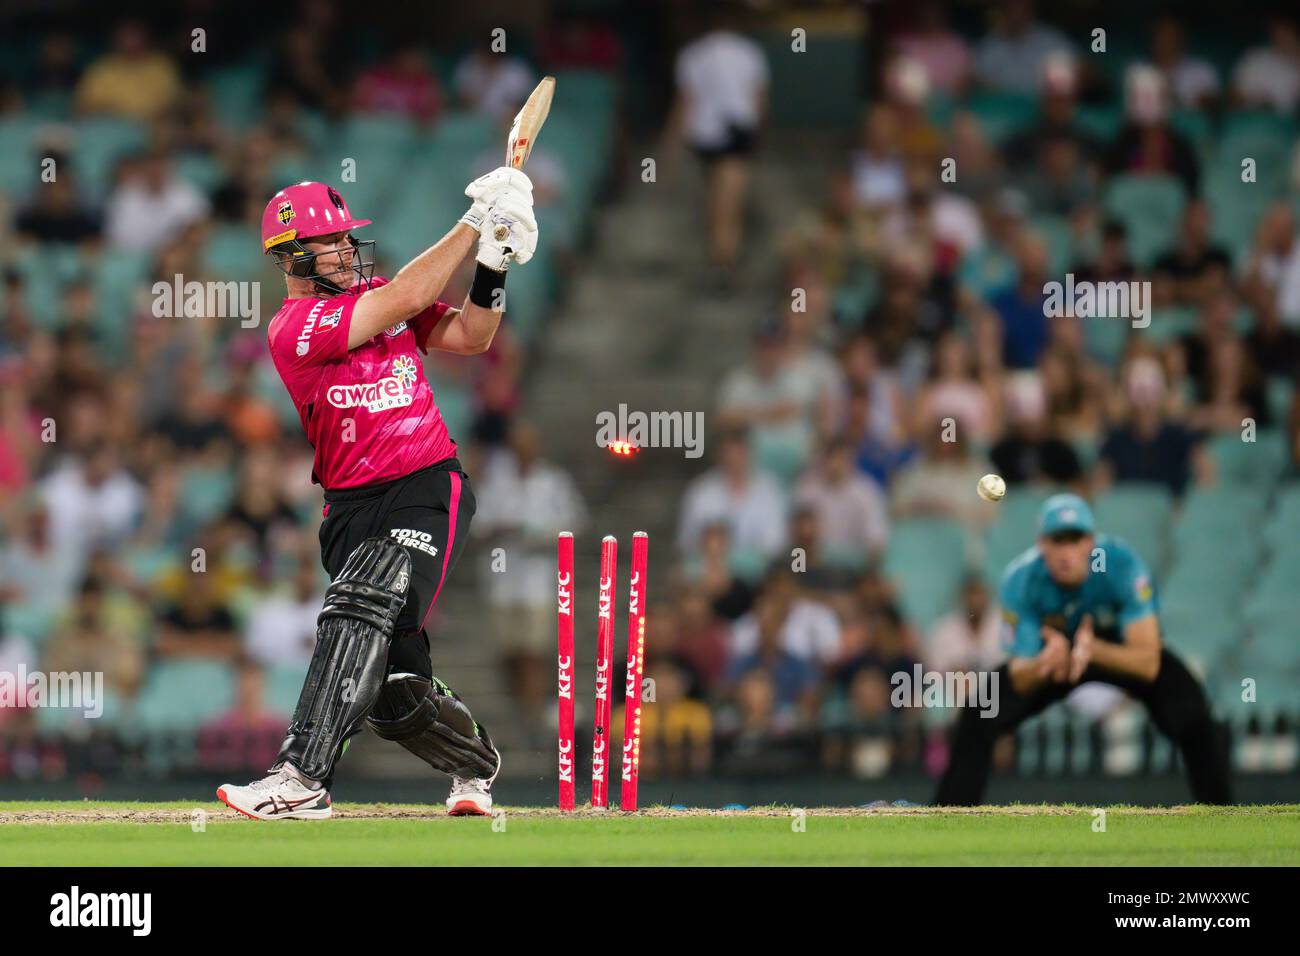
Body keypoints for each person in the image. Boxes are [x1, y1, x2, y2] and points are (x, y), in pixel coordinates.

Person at [216, 166, 538, 821]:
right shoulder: (296, 326)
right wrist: (474, 221)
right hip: (349, 508)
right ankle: (474, 768)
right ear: (293, 256)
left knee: (366, 587)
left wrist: (495, 264)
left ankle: (302, 777)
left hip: (426, 486)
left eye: (344, 239)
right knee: (398, 695)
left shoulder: (380, 300)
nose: (345, 251)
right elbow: (409, 292)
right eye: (331, 242)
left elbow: (474, 336)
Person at [934, 494, 1231, 805]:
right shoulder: (1020, 579)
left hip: (1114, 648)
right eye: (1056, 540)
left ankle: (1220, 814)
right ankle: (950, 813)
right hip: (1051, 654)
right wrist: (1043, 663)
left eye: (1074, 539)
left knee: (1194, 712)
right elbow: (1019, 672)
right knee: (980, 710)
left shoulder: (1122, 565)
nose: (1065, 552)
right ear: (1041, 545)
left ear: (1090, 542)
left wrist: (1095, 651)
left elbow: (1148, 662)